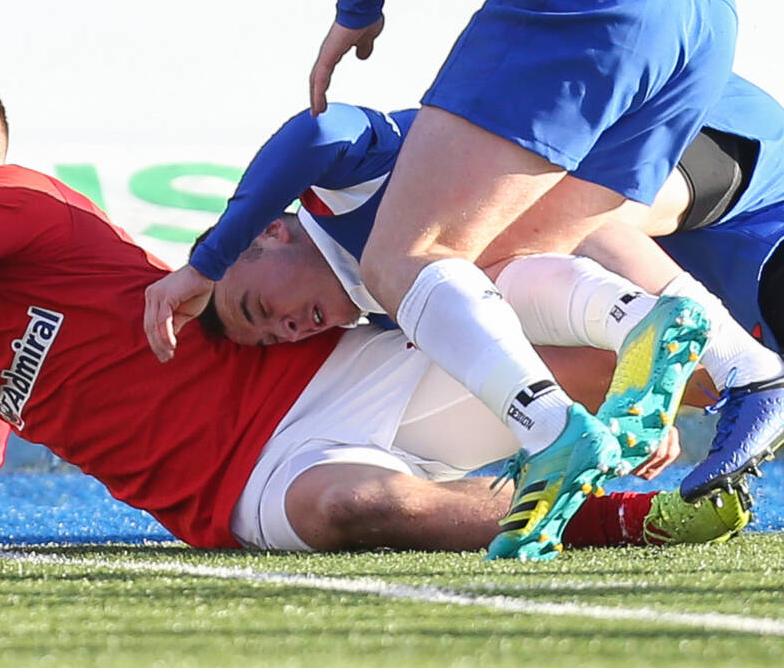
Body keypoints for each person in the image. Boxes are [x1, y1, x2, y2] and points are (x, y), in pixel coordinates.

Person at [0, 67, 743, 556]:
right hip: (239, 494)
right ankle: (632, 521)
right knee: (353, 504)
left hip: (325, 378)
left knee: (618, 355)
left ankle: (722, 376)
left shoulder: (14, 200)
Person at [296, 0, 738, 559]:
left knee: (406, 262)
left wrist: (359, 2)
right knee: (503, 268)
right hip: (706, 6)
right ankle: (678, 337)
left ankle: (549, 434)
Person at [145, 74, 784, 503]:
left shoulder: (339, 192)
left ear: (272, 233)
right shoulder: (399, 314)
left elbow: (316, 129)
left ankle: (748, 372)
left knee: (558, 222)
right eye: (273, 340)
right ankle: (746, 370)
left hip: (693, 134)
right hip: (730, 258)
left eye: (260, 308)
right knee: (561, 293)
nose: (288, 329)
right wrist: (636, 397)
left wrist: (208, 259)